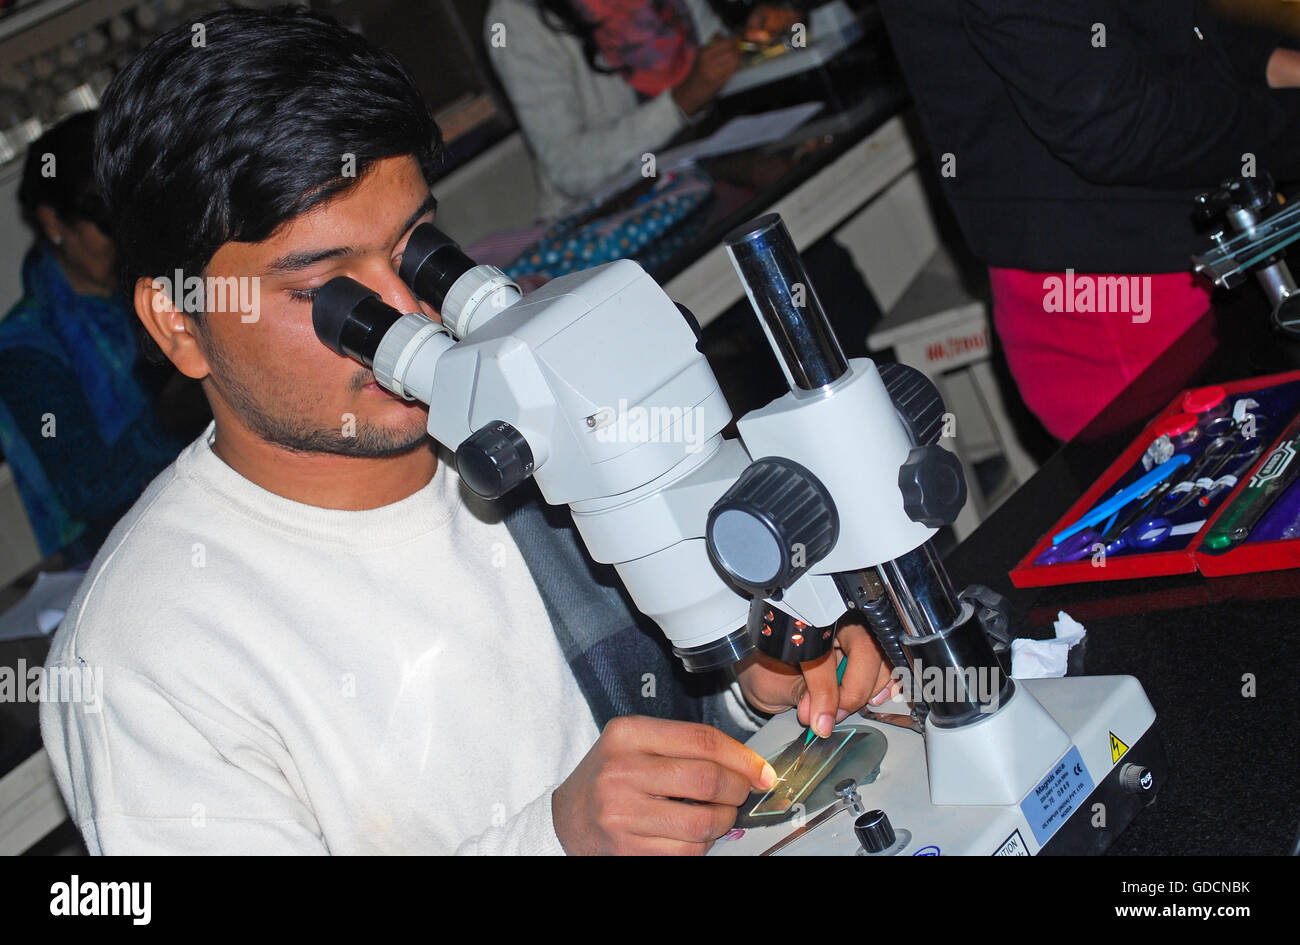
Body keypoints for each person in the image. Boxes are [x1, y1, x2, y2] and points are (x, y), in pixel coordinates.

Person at [40, 5, 894, 855]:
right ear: (180, 322)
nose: (410, 313)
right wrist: (553, 843)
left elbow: (672, 712)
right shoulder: (143, 661)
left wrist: (763, 678)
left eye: (415, 249)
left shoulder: (528, 429)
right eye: (328, 291)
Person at [878, 0, 1300, 441]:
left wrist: (1275, 64)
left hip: (1162, 267)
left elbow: (1157, 28)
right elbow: (1118, 126)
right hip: (1117, 305)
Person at [0, 111, 192, 564]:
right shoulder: (25, 349)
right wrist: (182, 403)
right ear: (52, 222)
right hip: (120, 556)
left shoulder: (161, 282)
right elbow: (88, 490)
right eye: (106, 222)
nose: (124, 239)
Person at [485, 0, 801, 216]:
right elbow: (571, 168)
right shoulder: (515, 19)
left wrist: (754, 41)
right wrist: (680, 103)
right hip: (622, 218)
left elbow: (715, 59)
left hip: (721, 169)